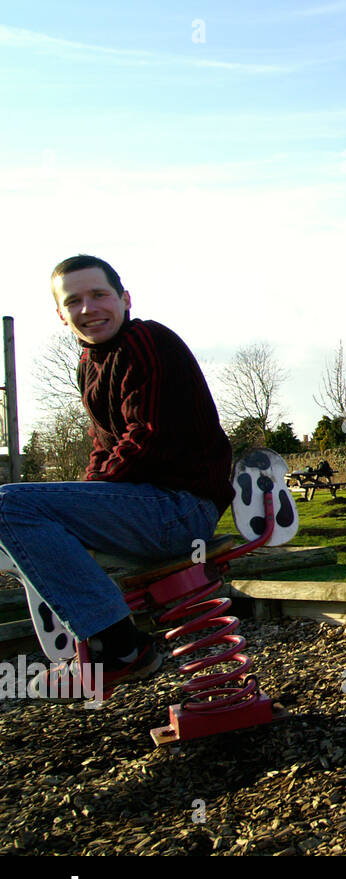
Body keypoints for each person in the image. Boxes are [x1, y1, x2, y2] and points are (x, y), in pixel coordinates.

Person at [0, 255, 232, 699]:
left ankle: (116, 646)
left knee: (9, 502)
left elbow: (147, 439)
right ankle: (104, 638)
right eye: (74, 301)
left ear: (124, 299)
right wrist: (85, 498)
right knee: (23, 511)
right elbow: (104, 445)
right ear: (61, 315)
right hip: (146, 507)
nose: (88, 308)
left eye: (99, 294)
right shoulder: (90, 362)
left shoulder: (146, 341)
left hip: (178, 508)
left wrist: (87, 497)